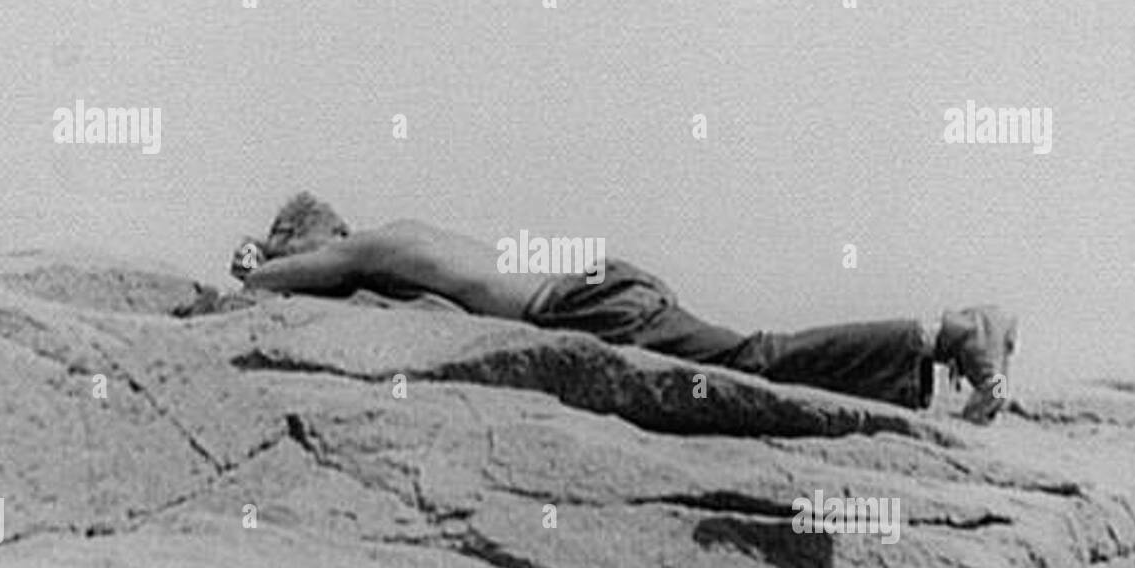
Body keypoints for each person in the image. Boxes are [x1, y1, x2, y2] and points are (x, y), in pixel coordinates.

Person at [208, 192, 1017, 424]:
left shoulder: (369, 245)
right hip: (592, 290)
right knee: (749, 369)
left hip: (583, 307)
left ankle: (951, 332)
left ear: (314, 240)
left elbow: (268, 288)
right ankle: (921, 368)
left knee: (751, 364)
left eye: (295, 251)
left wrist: (256, 266)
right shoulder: (402, 251)